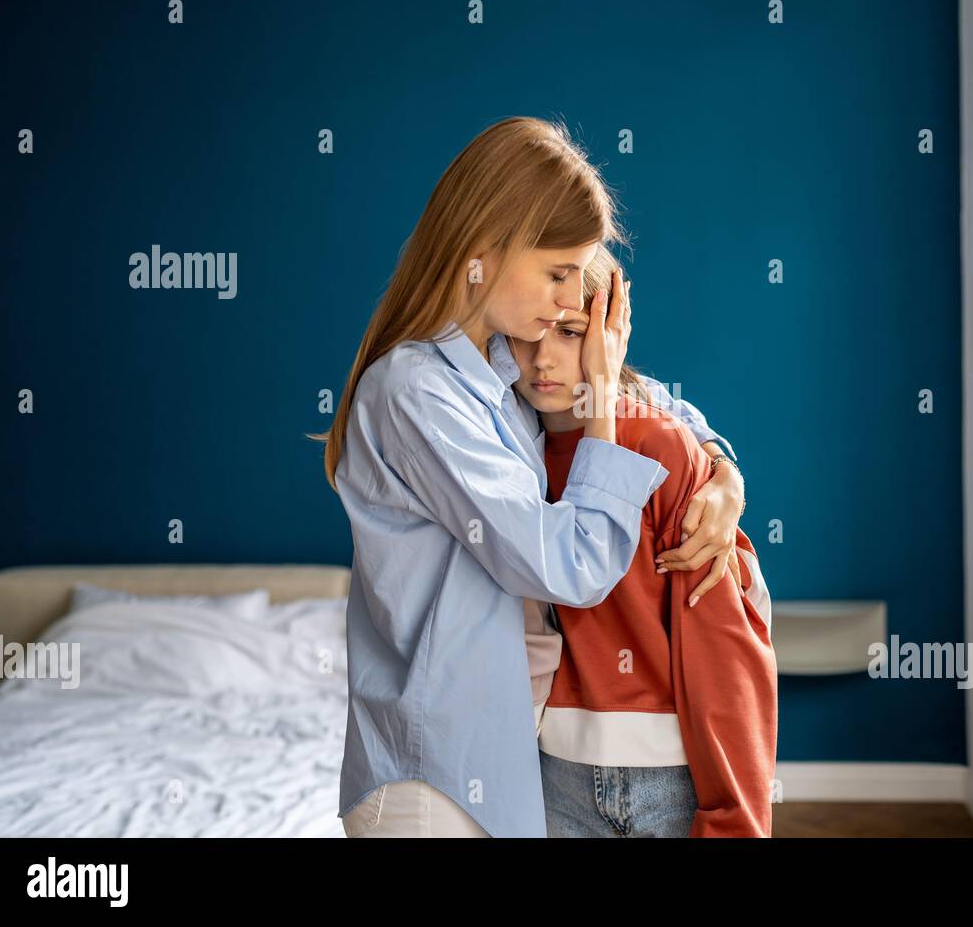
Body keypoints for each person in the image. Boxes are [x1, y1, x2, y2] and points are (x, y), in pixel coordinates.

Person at [313, 117, 746, 837]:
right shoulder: (419, 392)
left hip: (491, 775)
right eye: (557, 272)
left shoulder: (495, 375)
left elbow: (659, 404)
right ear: (486, 253)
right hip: (433, 789)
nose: (570, 294)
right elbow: (571, 566)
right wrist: (604, 406)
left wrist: (722, 469)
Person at [512, 245, 777, 837]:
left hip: (672, 780)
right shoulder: (508, 454)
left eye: (572, 332)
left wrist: (736, 814)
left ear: (611, 333)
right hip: (554, 773)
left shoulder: (660, 444)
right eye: (528, 333)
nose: (543, 359)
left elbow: (723, 643)